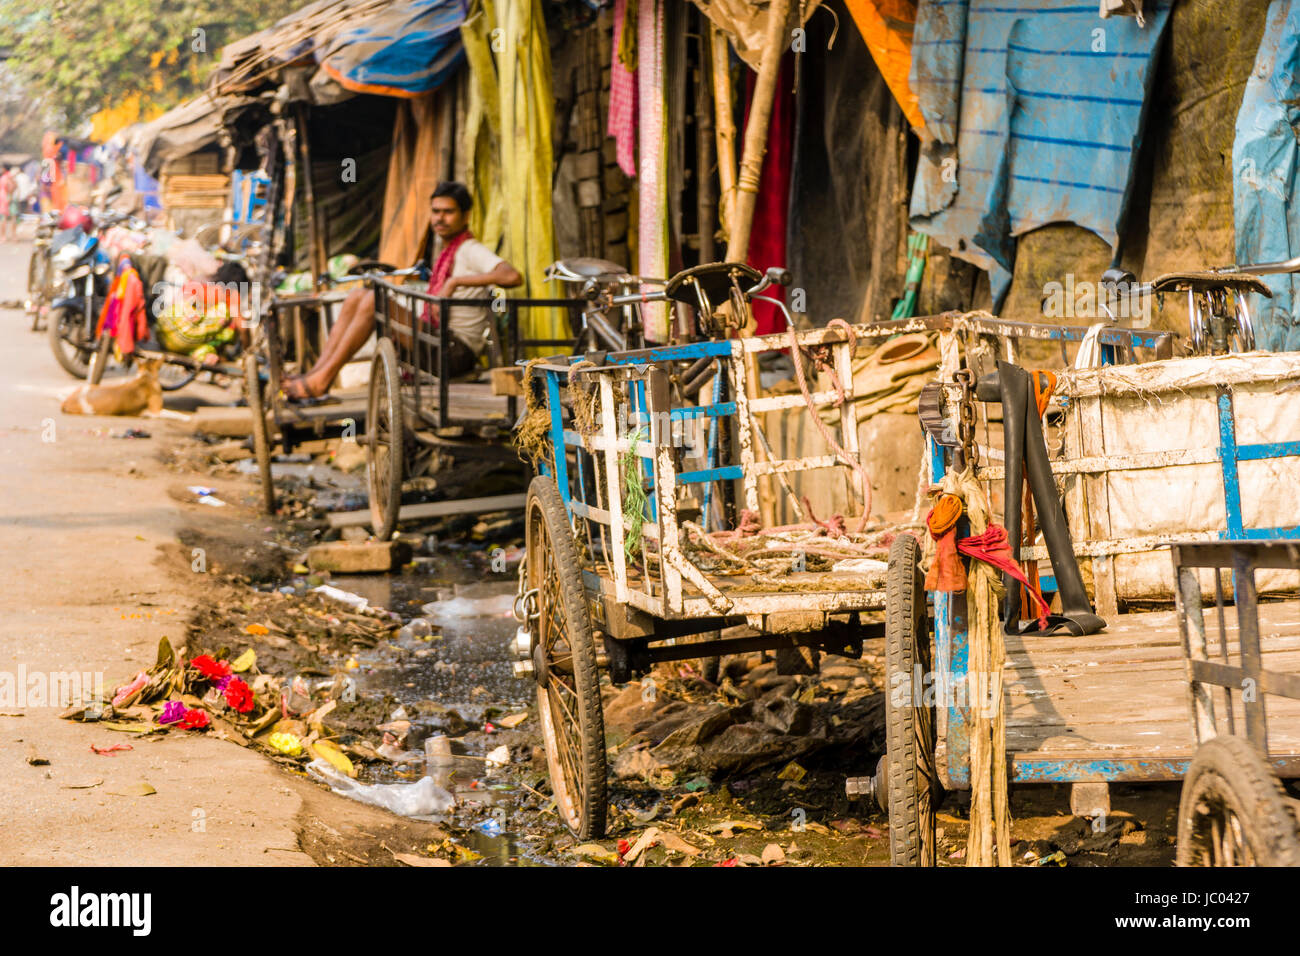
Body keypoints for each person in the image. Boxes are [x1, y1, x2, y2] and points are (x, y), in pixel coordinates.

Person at [285, 181, 522, 400]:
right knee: (358, 295)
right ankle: (316, 374)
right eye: (436, 212)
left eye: (448, 212)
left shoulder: (470, 249)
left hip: (456, 352)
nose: (440, 219)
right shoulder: (447, 252)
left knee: (373, 301)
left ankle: (321, 379)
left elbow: (511, 276)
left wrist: (456, 281)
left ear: (465, 216)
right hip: (438, 338)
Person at [0, 166, 16, 241]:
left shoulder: (6, 177)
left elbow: (11, 187)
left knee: (4, 218)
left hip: (5, 198)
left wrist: (9, 195)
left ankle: (3, 236)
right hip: (8, 197)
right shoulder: (9, 176)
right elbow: (15, 186)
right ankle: (13, 236)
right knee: (12, 217)